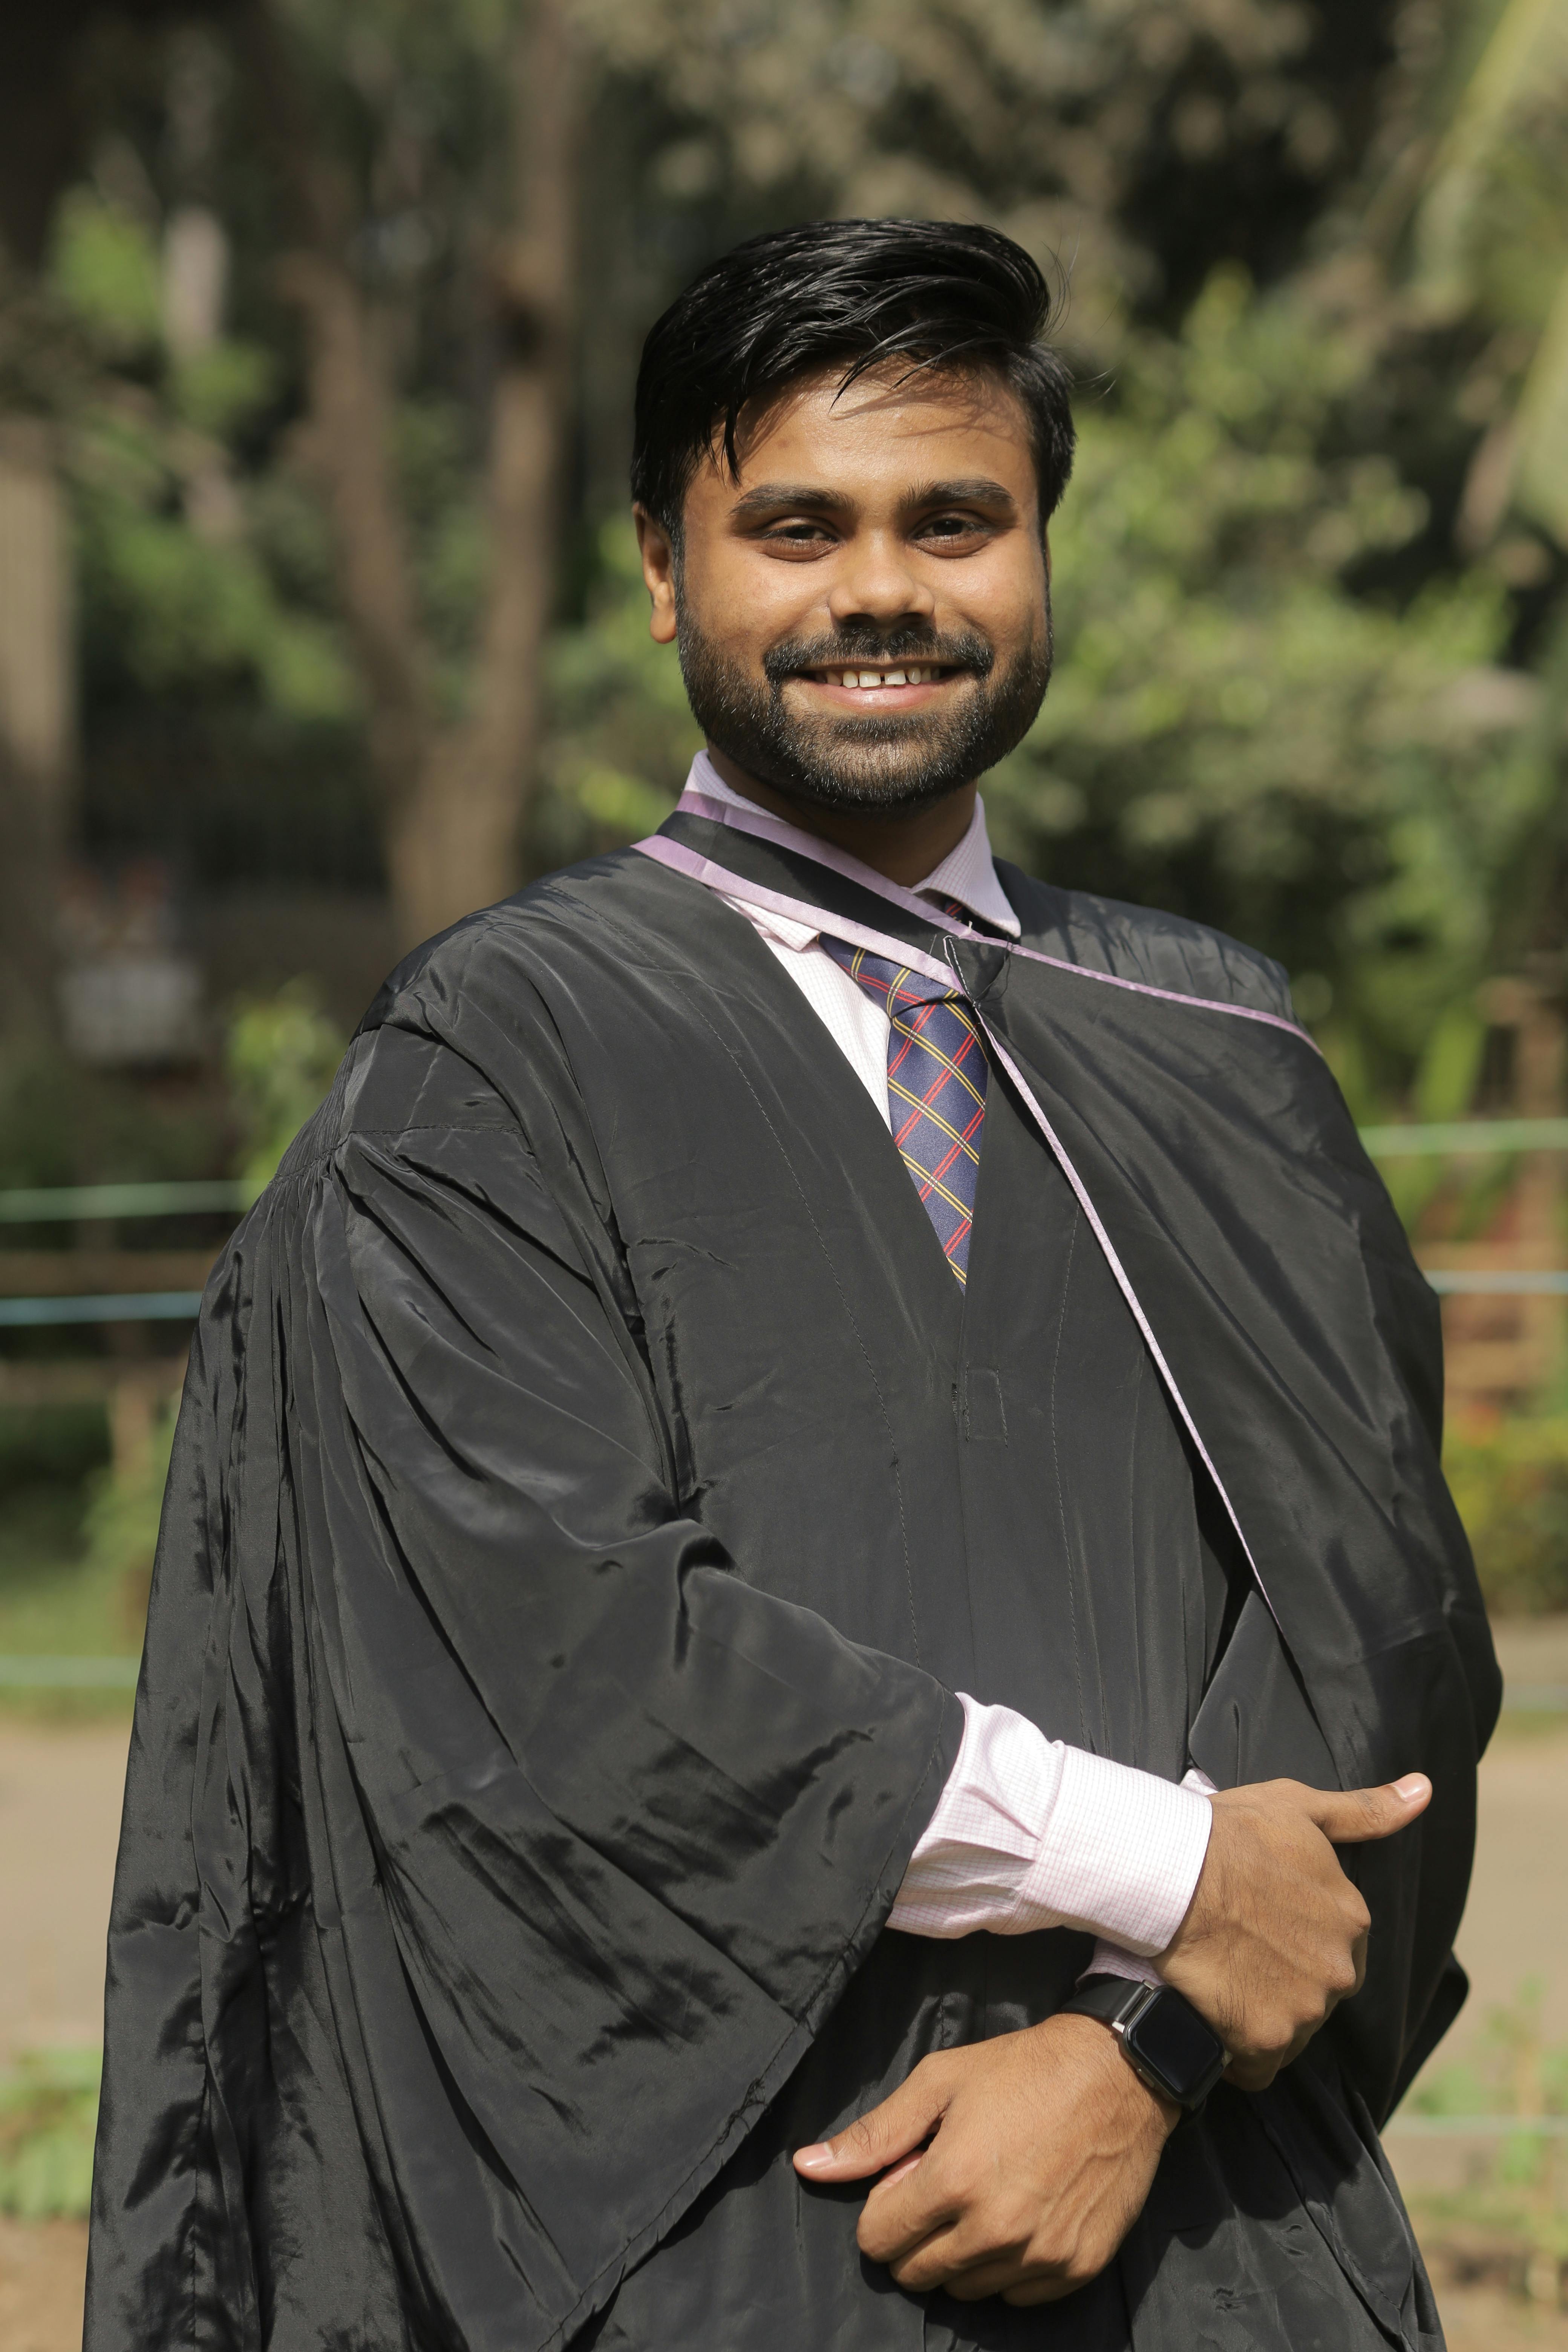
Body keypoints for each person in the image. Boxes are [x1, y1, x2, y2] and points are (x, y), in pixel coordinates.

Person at [87, 219, 1498, 2352]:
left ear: (1042, 554)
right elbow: (552, 1655)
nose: (881, 592)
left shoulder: (1212, 1044)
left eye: (959, 521)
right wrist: (1170, 1869)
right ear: (664, 568)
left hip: (1216, 2232)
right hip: (721, 2238)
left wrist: (1138, 2060)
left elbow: (1375, 1647)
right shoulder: (495, 1066)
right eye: (796, 526)